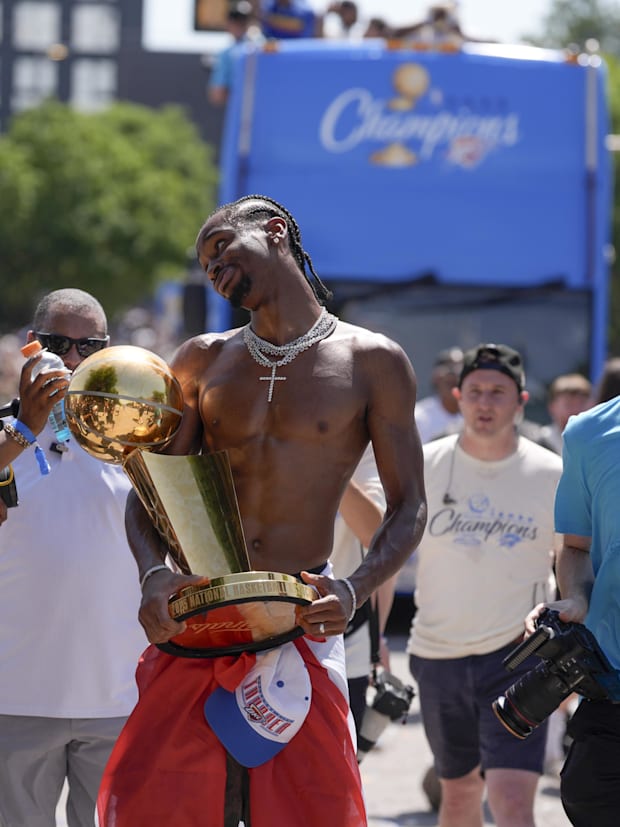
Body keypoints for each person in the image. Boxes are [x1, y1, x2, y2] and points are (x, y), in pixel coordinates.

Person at [96, 194, 427, 827]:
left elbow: (410, 507)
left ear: (275, 232)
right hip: (197, 621)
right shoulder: (202, 359)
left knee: (313, 813)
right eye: (204, 264)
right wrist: (152, 575)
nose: (212, 269)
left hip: (301, 626)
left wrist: (355, 591)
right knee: (158, 807)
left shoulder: (372, 360)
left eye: (219, 248)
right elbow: (150, 494)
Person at [0, 288, 146, 827]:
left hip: (117, 698)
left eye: (91, 345)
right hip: (15, 697)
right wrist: (24, 428)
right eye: (59, 343)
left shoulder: (136, 444)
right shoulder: (2, 436)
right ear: (30, 347)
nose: (74, 358)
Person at [408, 342, 563, 827]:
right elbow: (385, 548)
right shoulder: (426, 464)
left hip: (517, 657)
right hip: (438, 655)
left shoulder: (551, 473)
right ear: (457, 396)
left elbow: (573, 558)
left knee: (513, 800)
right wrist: (371, 641)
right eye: (475, 391)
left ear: (520, 401)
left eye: (498, 392)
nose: (485, 403)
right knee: (458, 796)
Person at [524, 391, 620, 826]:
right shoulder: (589, 433)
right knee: (586, 797)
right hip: (612, 686)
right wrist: (577, 597)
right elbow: (575, 548)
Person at [330, 443, 392, 736]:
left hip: (343, 635)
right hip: (262, 622)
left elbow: (376, 535)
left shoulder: (361, 445)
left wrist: (327, 460)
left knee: (339, 767)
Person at [207, 1, 263, 108]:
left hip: (241, 113)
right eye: (236, 21)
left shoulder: (227, 55)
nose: (238, 25)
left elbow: (218, 94)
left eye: (242, 21)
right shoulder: (266, 48)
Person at [415, 346, 464, 444]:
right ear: (436, 378)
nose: (455, 377)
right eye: (450, 382)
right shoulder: (418, 418)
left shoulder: (478, 418)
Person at [536, 373, 592, 455]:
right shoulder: (539, 442)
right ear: (552, 407)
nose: (576, 410)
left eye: (581, 403)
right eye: (568, 404)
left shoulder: (598, 441)